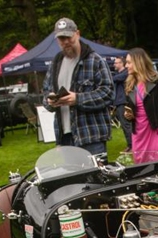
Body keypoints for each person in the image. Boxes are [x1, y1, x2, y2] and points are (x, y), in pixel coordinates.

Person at [42, 17, 114, 155]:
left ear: (78, 34)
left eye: (69, 37)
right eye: (62, 38)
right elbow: (45, 93)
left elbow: (108, 93)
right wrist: (50, 101)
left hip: (91, 137)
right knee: (72, 177)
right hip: (65, 138)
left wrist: (78, 99)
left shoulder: (95, 60)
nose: (66, 42)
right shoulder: (55, 64)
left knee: (95, 176)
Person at [123, 47, 158, 164]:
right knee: (141, 169)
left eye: (128, 62)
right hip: (138, 133)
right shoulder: (130, 84)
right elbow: (130, 108)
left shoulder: (157, 80)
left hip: (156, 131)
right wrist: (128, 115)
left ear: (138, 62)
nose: (126, 65)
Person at [112, 56, 133, 152]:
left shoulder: (125, 73)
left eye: (116, 63)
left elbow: (115, 79)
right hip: (120, 102)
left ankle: (131, 145)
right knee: (125, 125)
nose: (114, 65)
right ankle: (131, 144)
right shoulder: (119, 74)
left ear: (121, 63)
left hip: (123, 102)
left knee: (126, 125)